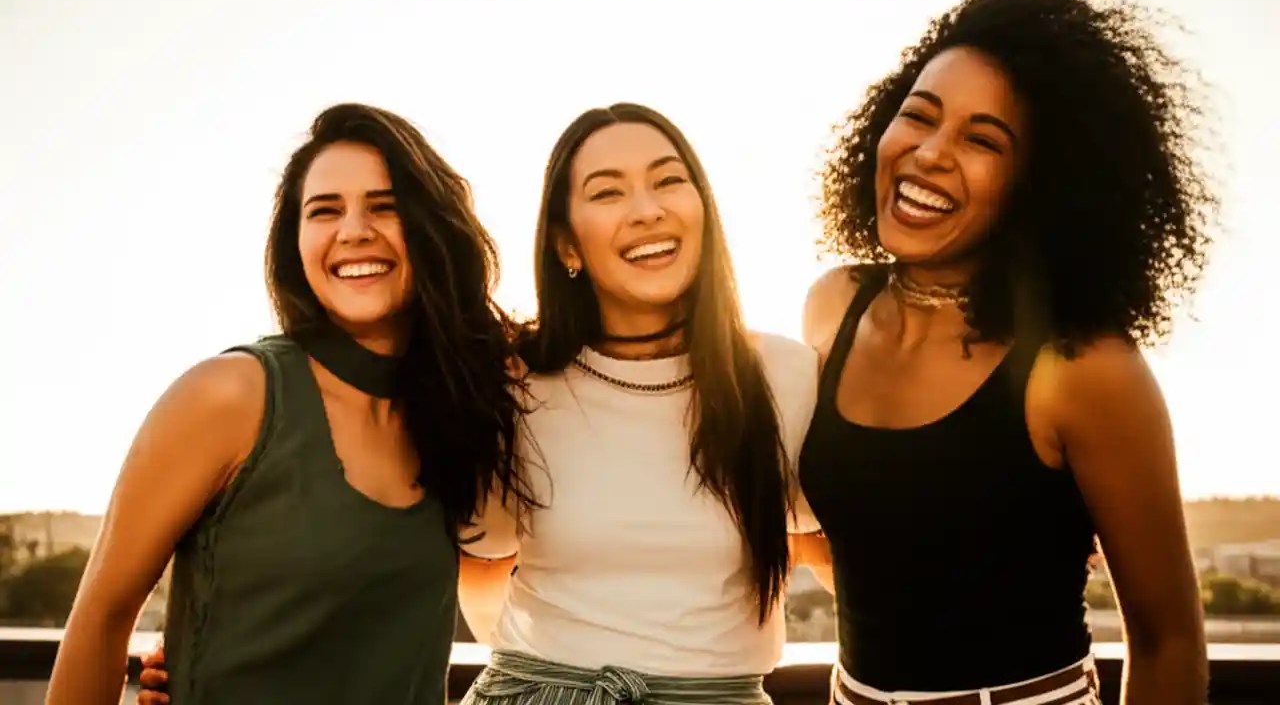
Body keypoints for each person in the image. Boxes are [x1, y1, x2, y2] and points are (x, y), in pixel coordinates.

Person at [792, 0, 1215, 703]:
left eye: (982, 140)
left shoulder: (1081, 366)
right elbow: (877, 550)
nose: (929, 154)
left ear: (1039, 186)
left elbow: (1169, 639)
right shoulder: (835, 306)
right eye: (918, 117)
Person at [48, 102, 531, 705]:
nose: (353, 230)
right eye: (323, 210)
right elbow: (101, 615)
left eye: (384, 206)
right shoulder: (229, 395)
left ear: (433, 228)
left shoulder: (459, 415)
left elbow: (496, 611)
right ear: (295, 243)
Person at [457, 102, 821, 705]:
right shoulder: (517, 380)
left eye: (669, 180)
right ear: (566, 243)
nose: (647, 210)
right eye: (607, 193)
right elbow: (482, 557)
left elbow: (852, 551)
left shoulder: (785, 374)